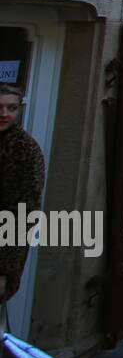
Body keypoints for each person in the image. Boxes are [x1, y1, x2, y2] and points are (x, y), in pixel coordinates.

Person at [0, 84, 45, 302]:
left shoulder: (26, 150)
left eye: (11, 108)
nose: (4, 114)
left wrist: (6, 268)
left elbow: (26, 211)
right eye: (0, 107)